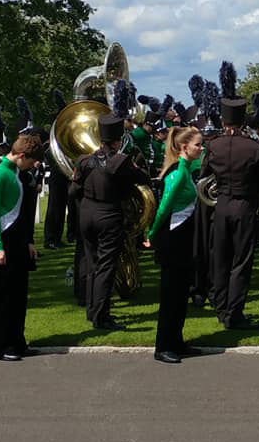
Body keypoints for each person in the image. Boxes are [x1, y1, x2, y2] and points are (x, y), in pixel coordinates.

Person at [72, 114, 149, 331]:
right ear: (117, 140)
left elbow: (73, 190)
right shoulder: (120, 161)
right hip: (108, 215)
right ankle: (101, 316)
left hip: (86, 214)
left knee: (91, 263)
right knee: (106, 267)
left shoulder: (83, 161)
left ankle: (92, 310)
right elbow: (142, 178)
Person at [200, 97, 259, 329]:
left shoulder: (213, 145)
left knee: (220, 259)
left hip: (220, 206)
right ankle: (234, 313)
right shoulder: (255, 148)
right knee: (241, 261)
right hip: (244, 206)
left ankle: (220, 308)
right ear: (242, 121)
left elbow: (204, 174)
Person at [147, 126, 203, 364]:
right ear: (183, 147)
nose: (201, 149)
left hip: (183, 237)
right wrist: (151, 233)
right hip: (173, 238)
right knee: (171, 295)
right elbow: (164, 207)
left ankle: (176, 341)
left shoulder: (186, 169)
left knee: (181, 294)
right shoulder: (178, 173)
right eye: (197, 145)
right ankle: (163, 346)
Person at [0, 133, 43, 361]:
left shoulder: (17, 173)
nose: (30, 167)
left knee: (19, 295)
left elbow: (25, 212)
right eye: (29, 162)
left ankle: (17, 341)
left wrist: (28, 241)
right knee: (2, 296)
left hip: (18, 240)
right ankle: (0, 346)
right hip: (4, 241)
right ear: (20, 155)